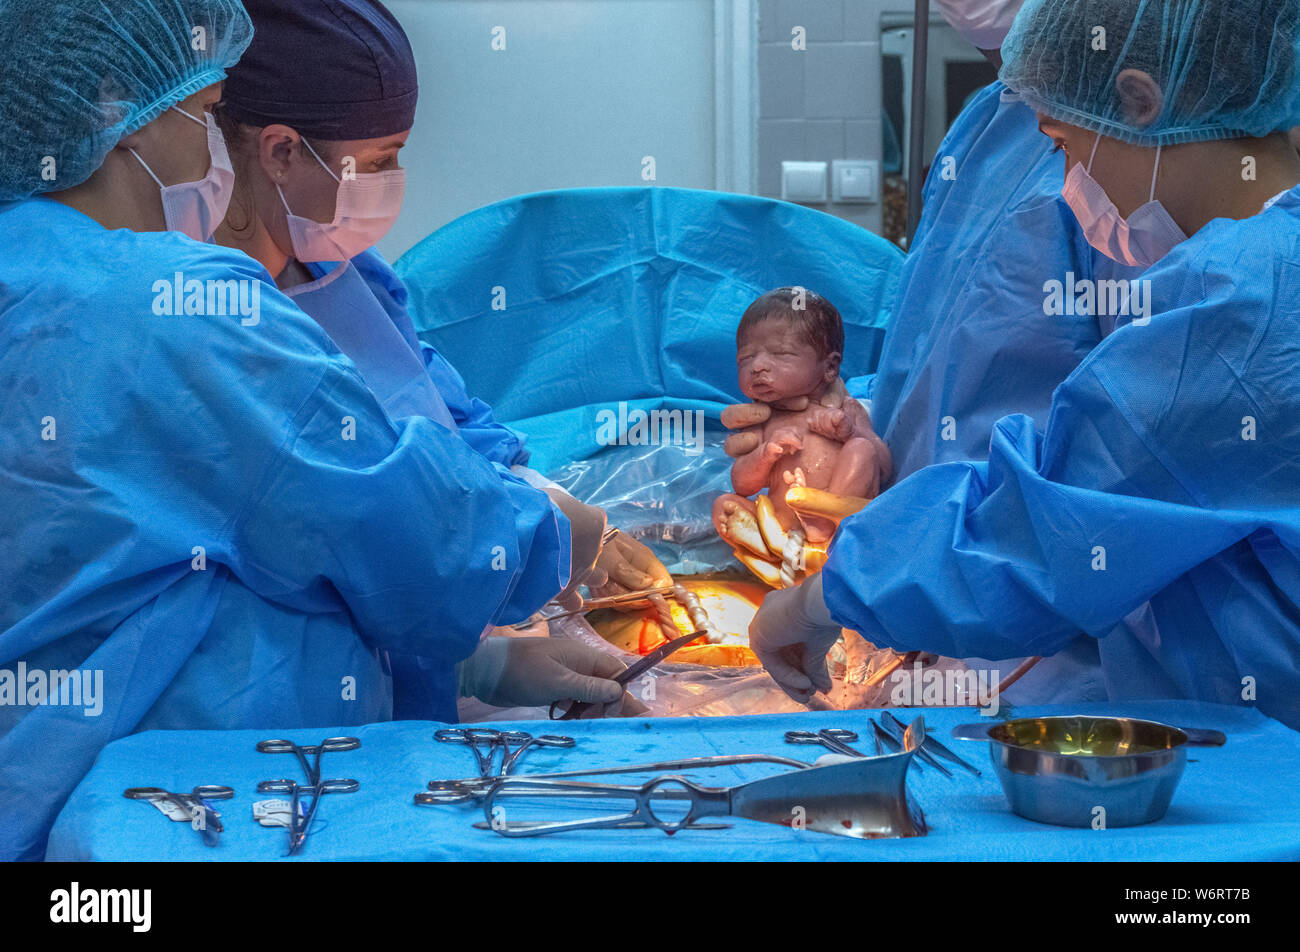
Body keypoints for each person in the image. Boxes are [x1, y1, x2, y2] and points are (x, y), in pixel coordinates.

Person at [0, 0, 625, 861]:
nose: (217, 148)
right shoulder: (174, 309)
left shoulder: (30, 268)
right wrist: (550, 528)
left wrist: (469, 666)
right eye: (212, 113)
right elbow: (416, 538)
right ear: (117, 114)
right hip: (170, 807)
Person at [749, 0, 1300, 731]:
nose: (1070, 187)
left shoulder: (1241, 302)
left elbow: (1043, 527)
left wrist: (816, 602)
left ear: (1139, 101)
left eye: (1063, 147)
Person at [211, 0, 674, 718]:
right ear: (280, 152)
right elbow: (362, 530)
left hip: (409, 663)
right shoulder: (212, 328)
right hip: (286, 729)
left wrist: (528, 487)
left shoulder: (341, 273)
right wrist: (528, 540)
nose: (394, 179)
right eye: (377, 162)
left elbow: (439, 408)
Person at [732, 0, 1138, 704]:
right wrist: (830, 416)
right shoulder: (992, 122)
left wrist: (846, 589)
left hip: (1066, 650)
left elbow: (1105, 495)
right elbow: (938, 345)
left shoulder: (1135, 164)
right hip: (934, 582)